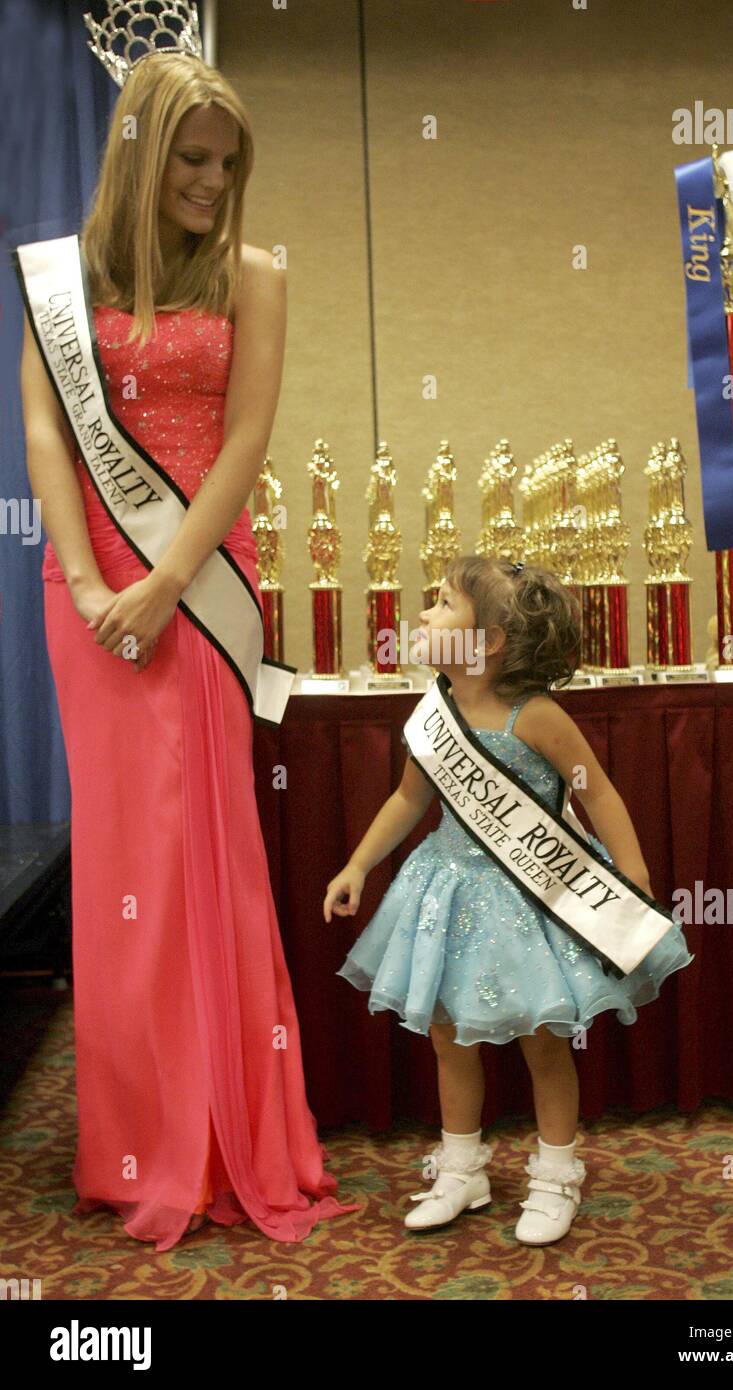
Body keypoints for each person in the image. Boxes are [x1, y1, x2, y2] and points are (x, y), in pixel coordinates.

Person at [19, 50, 359, 1252]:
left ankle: (223, 1135)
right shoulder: (68, 283)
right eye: (190, 158)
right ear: (136, 149)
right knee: (125, 866)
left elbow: (247, 443)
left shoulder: (255, 276)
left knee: (200, 856)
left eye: (227, 163)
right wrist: (83, 579)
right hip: (92, 602)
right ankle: (134, 1141)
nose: (212, 182)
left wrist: (164, 584)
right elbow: (50, 439)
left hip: (200, 590)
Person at [324, 555, 694, 1245]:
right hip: (444, 889)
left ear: (487, 640)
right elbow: (409, 797)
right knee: (446, 1034)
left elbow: (597, 791)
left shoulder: (538, 716)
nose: (422, 615)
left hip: (529, 899)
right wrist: (357, 863)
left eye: (440, 604)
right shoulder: (434, 708)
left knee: (542, 1040)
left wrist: (634, 870)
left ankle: (556, 1178)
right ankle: (461, 1167)